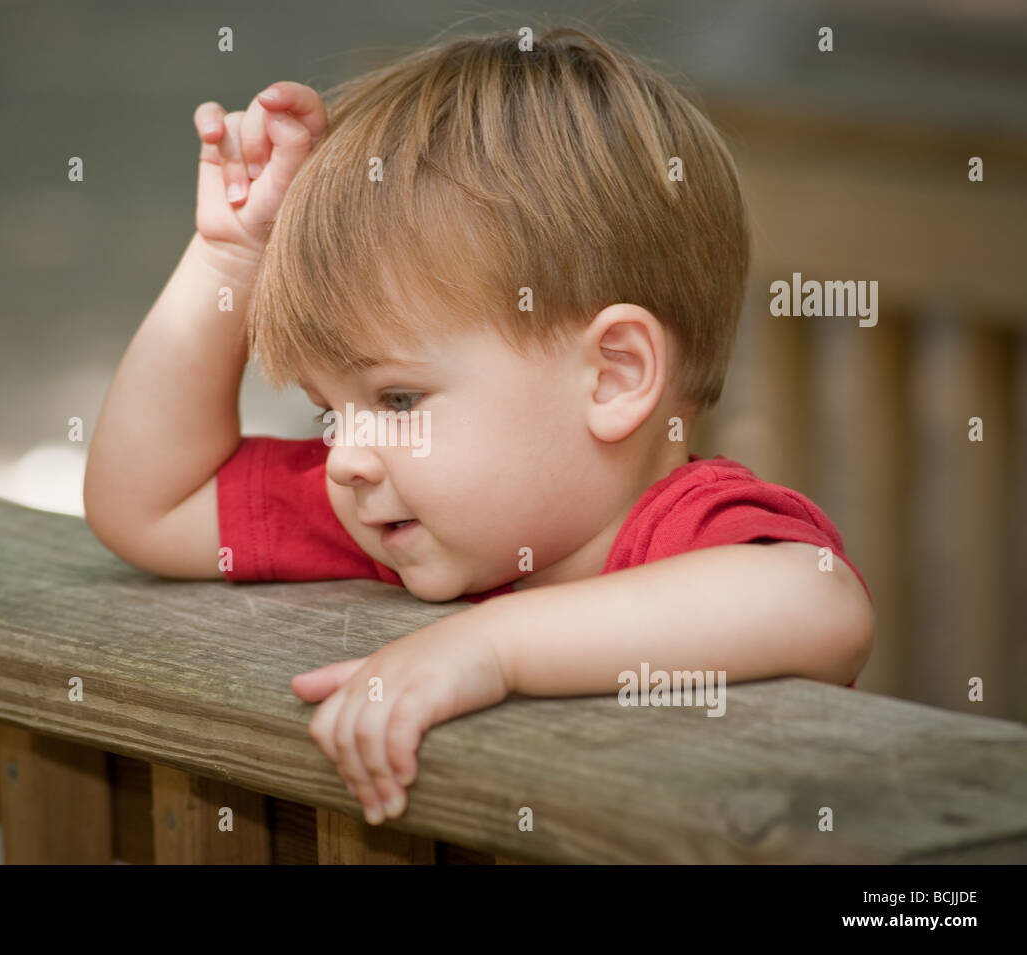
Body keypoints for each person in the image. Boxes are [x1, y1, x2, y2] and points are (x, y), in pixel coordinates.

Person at [83, 26, 874, 828]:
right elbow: (146, 505)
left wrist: (490, 650)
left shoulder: (691, 532)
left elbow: (822, 604)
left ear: (615, 376)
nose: (345, 460)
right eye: (329, 412)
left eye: (397, 401)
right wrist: (226, 263)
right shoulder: (404, 522)